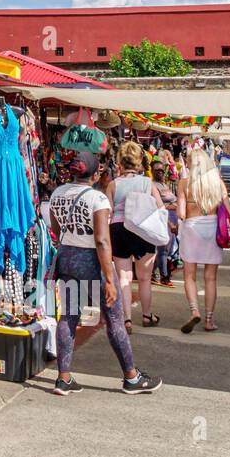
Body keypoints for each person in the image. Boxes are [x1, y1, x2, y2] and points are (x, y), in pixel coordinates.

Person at [48, 149, 163, 396]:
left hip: (67, 258)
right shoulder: (96, 199)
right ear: (96, 172)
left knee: (68, 316)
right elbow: (101, 240)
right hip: (92, 260)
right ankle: (131, 377)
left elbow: (57, 229)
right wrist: (110, 279)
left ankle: (63, 378)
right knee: (114, 317)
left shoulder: (57, 194)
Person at [103, 140, 166, 330]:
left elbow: (108, 213)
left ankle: (126, 319)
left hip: (119, 229)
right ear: (139, 161)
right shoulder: (147, 183)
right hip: (142, 229)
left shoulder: (113, 185)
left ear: (119, 162)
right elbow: (160, 207)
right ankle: (147, 316)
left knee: (124, 277)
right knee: (145, 278)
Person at [177, 148, 230, 333]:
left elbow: (181, 213)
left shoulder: (184, 183)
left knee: (189, 276)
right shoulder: (218, 183)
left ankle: (194, 311)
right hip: (213, 228)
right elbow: (229, 211)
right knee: (210, 278)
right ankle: (209, 320)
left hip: (192, 228)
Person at [150, 161, 177, 288]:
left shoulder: (164, 184)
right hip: (164, 219)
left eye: (161, 170)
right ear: (152, 171)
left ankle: (151, 272)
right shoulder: (152, 186)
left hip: (173, 217)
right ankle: (164, 276)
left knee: (168, 249)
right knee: (163, 249)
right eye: (157, 170)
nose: (160, 172)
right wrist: (170, 223)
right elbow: (158, 207)